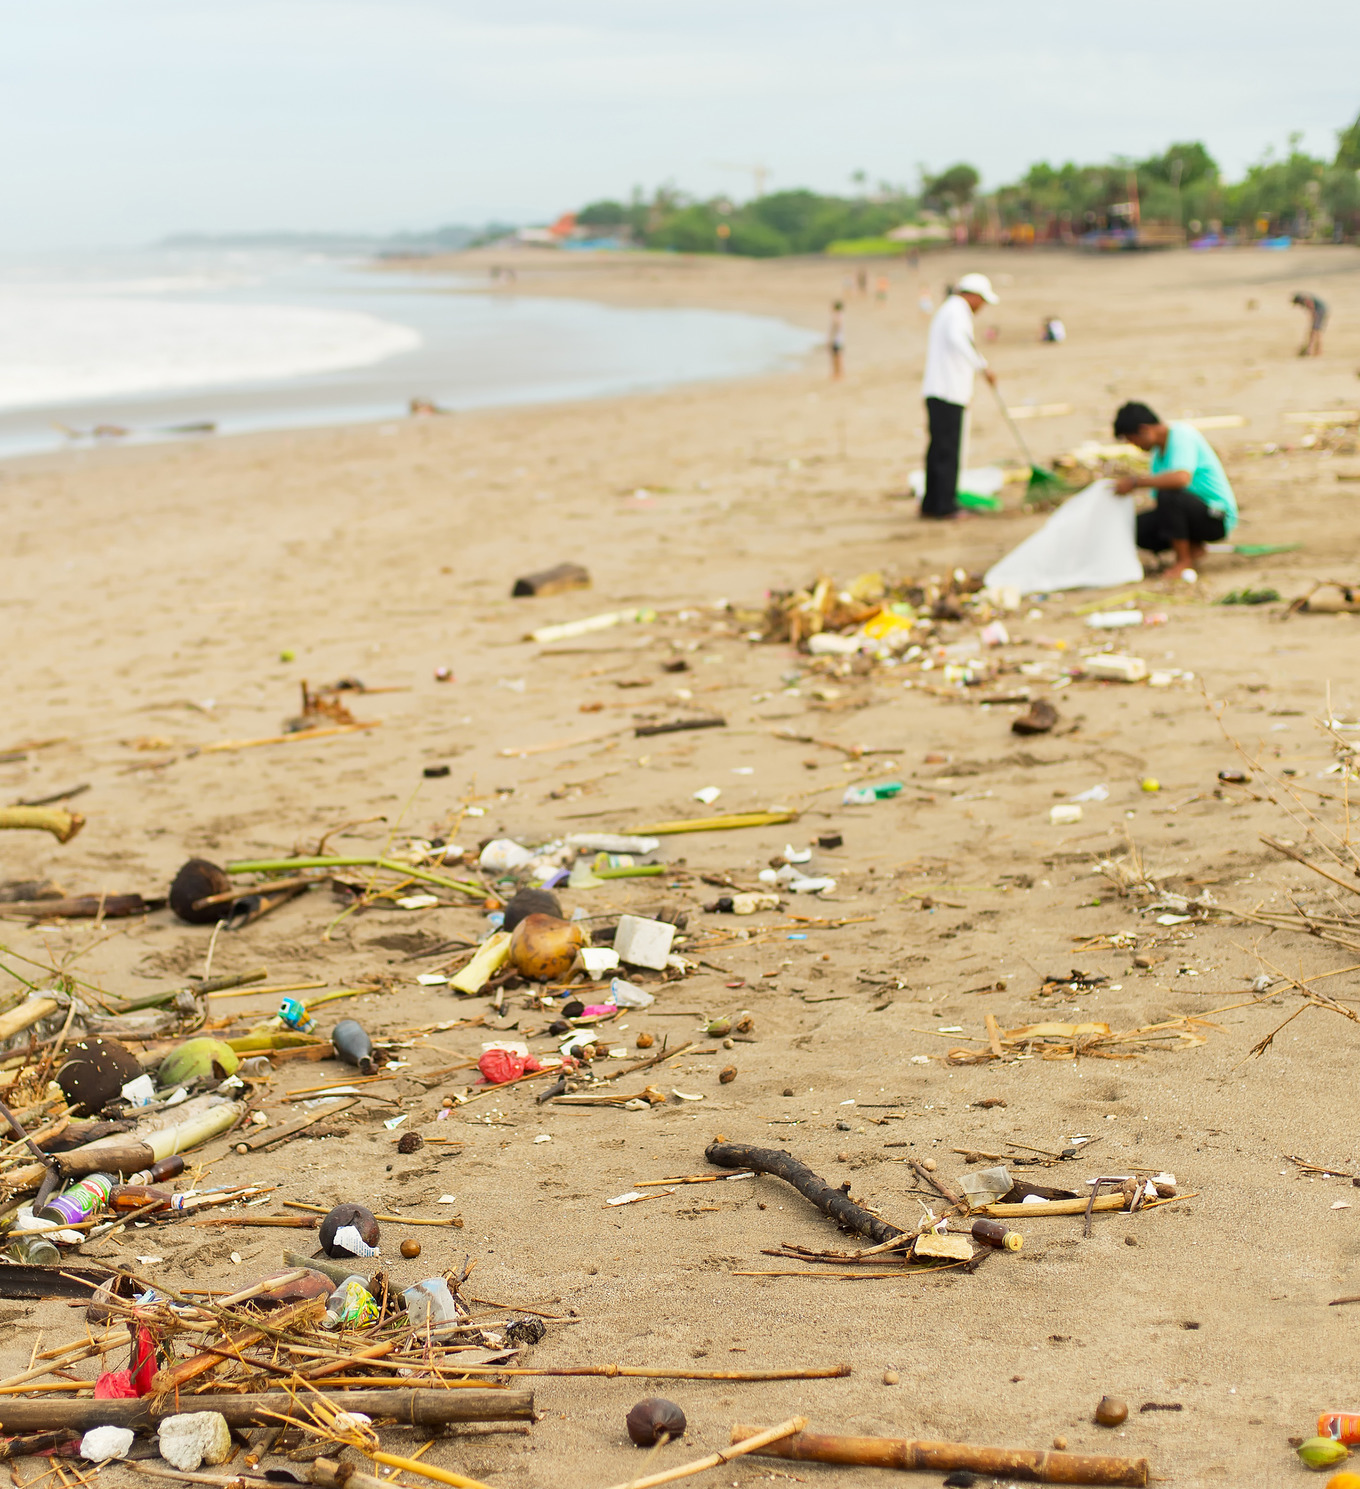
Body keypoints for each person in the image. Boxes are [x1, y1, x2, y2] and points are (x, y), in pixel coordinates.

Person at [1112, 401, 1238, 579]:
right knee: (1136, 527)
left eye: (1133, 440)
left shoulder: (1181, 436)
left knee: (1170, 495)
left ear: (1144, 430)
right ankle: (1193, 546)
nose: (1136, 446)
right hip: (1191, 512)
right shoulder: (1157, 454)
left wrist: (1135, 482)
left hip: (1215, 515)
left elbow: (1181, 479)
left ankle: (1183, 561)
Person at [920, 272, 998, 519]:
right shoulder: (957, 310)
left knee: (938, 449)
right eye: (982, 301)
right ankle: (944, 506)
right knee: (947, 450)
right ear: (973, 296)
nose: (982, 307)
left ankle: (931, 503)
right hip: (947, 392)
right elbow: (958, 340)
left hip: (942, 390)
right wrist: (982, 365)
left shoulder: (949, 309)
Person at [1292, 292, 1327, 356]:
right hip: (1321, 311)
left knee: (1315, 331)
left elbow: (1311, 306)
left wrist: (1313, 314)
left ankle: (1311, 350)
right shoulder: (1305, 298)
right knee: (1316, 331)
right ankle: (1316, 351)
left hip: (1319, 311)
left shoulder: (1304, 299)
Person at [828, 300, 845, 380]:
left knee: (836, 357)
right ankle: (838, 373)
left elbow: (836, 327)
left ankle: (837, 373)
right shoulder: (840, 315)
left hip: (836, 340)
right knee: (837, 357)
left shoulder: (837, 316)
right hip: (839, 339)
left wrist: (830, 339)